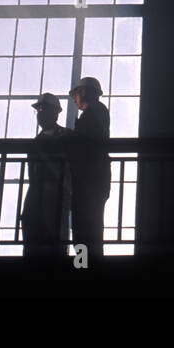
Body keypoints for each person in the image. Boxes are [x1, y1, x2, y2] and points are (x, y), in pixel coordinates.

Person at [20, 92, 71, 261]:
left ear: (55, 113)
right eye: (38, 109)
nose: (40, 113)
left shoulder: (68, 137)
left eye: (44, 109)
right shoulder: (36, 142)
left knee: (56, 240)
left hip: (57, 195)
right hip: (38, 196)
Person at [68, 77, 111, 263]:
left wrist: (70, 139)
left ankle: (85, 264)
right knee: (89, 226)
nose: (75, 99)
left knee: (85, 226)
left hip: (89, 180)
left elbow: (88, 139)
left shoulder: (94, 111)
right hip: (93, 178)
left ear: (83, 92)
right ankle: (87, 262)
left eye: (76, 94)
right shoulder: (98, 111)